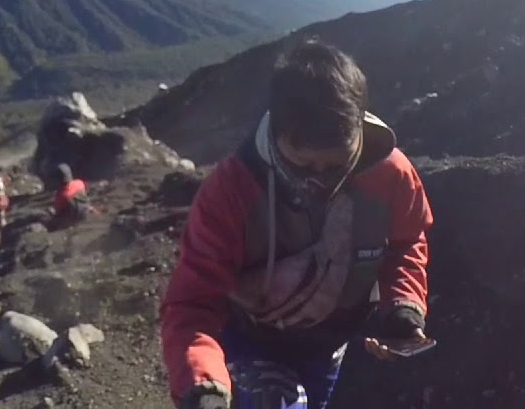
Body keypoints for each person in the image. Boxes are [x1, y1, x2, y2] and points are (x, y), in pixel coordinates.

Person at [160, 39, 434, 409]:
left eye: (336, 166)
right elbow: (193, 302)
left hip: (328, 345)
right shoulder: (232, 192)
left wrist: (402, 306)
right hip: (247, 336)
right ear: (274, 134)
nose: (319, 180)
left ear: (358, 131)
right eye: (302, 167)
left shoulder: (390, 175)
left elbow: (407, 239)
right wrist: (204, 384)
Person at [50, 162, 92, 227]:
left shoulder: (61, 195)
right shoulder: (80, 183)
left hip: (69, 221)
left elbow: (57, 211)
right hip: (85, 213)